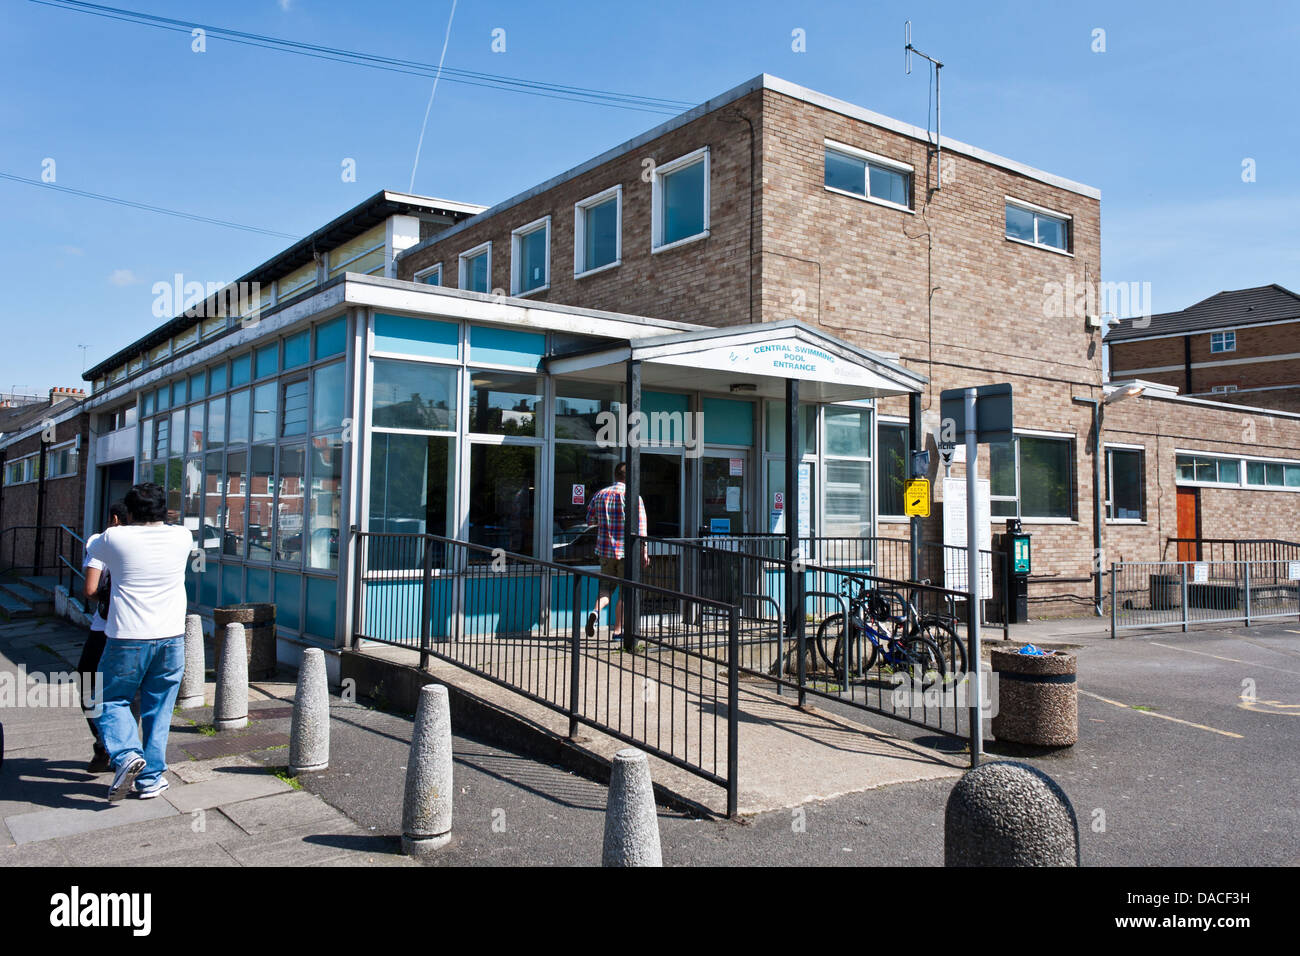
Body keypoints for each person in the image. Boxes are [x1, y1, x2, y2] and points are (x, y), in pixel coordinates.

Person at [84, 482, 193, 801]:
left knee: (108, 700)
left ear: (127, 513)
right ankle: (151, 779)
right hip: (171, 638)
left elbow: (93, 547)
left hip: (127, 638)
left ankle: (127, 754)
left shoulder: (114, 537)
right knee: (159, 708)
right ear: (164, 510)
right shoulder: (182, 536)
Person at [78, 502, 130, 773]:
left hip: (104, 628)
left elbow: (89, 589)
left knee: (88, 683)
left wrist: (106, 597)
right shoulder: (145, 543)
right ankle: (126, 749)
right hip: (136, 628)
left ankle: (103, 744)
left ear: (113, 518)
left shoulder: (101, 542)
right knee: (127, 690)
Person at [585, 462, 649, 643]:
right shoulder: (633, 497)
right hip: (625, 552)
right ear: (629, 477)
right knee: (624, 593)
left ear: (615, 476)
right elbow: (641, 527)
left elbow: (590, 520)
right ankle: (618, 631)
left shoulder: (600, 494)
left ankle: (595, 612)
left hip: (605, 552)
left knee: (605, 588)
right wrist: (644, 551)